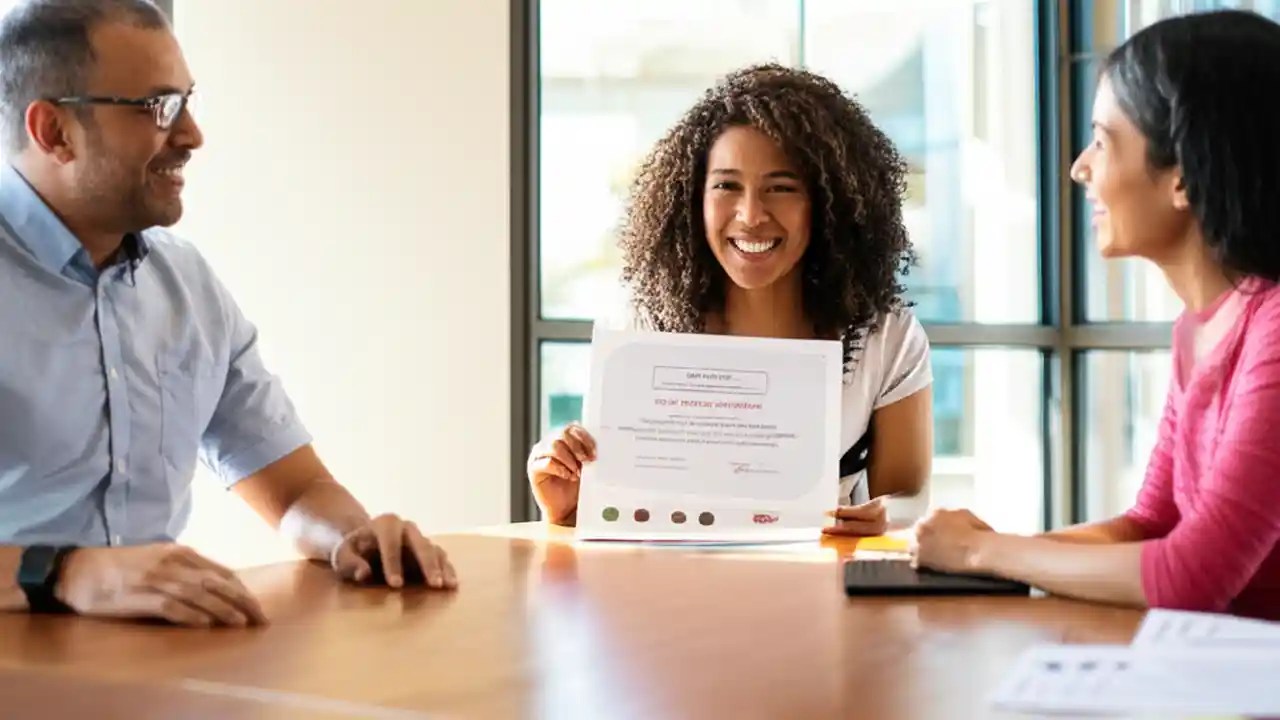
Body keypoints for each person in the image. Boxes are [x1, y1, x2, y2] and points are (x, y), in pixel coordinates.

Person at [0, 0, 456, 628]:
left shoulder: (185, 285)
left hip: (151, 673)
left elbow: (296, 491)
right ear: (53, 130)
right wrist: (66, 571)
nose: (190, 135)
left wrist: (352, 536)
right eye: (158, 108)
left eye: (187, 102)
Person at [911, 9, 1280, 619]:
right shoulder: (1201, 328)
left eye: (1103, 142)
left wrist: (984, 553)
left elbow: (1190, 574)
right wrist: (966, 553)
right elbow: (1152, 524)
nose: (1080, 167)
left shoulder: (1272, 330)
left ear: (1183, 178)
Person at [527, 64, 935, 536]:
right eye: (726, 186)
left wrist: (889, 516)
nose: (750, 215)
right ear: (692, 199)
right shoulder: (641, 326)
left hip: (823, 588)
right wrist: (566, 508)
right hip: (673, 592)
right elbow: (619, 519)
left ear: (827, 203)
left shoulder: (887, 337)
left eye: (781, 188)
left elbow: (911, 497)